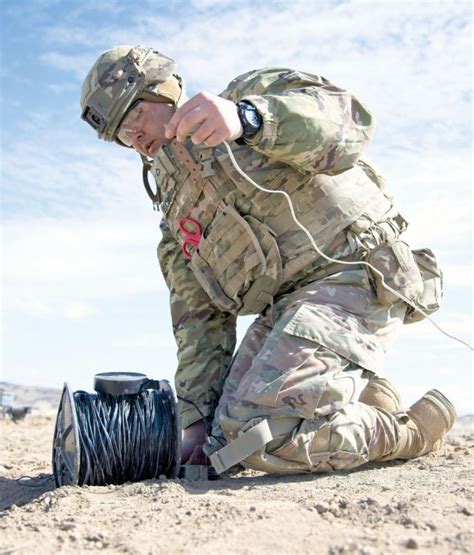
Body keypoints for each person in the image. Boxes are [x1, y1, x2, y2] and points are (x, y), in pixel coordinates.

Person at [80, 45, 456, 474]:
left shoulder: (249, 95)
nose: (134, 140)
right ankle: (360, 398)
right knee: (222, 445)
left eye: (133, 119)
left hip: (357, 270)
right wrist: (196, 420)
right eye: (120, 136)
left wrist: (250, 119)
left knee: (256, 437)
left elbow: (349, 122)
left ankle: (408, 432)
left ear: (163, 91)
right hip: (292, 311)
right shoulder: (175, 211)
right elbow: (199, 323)